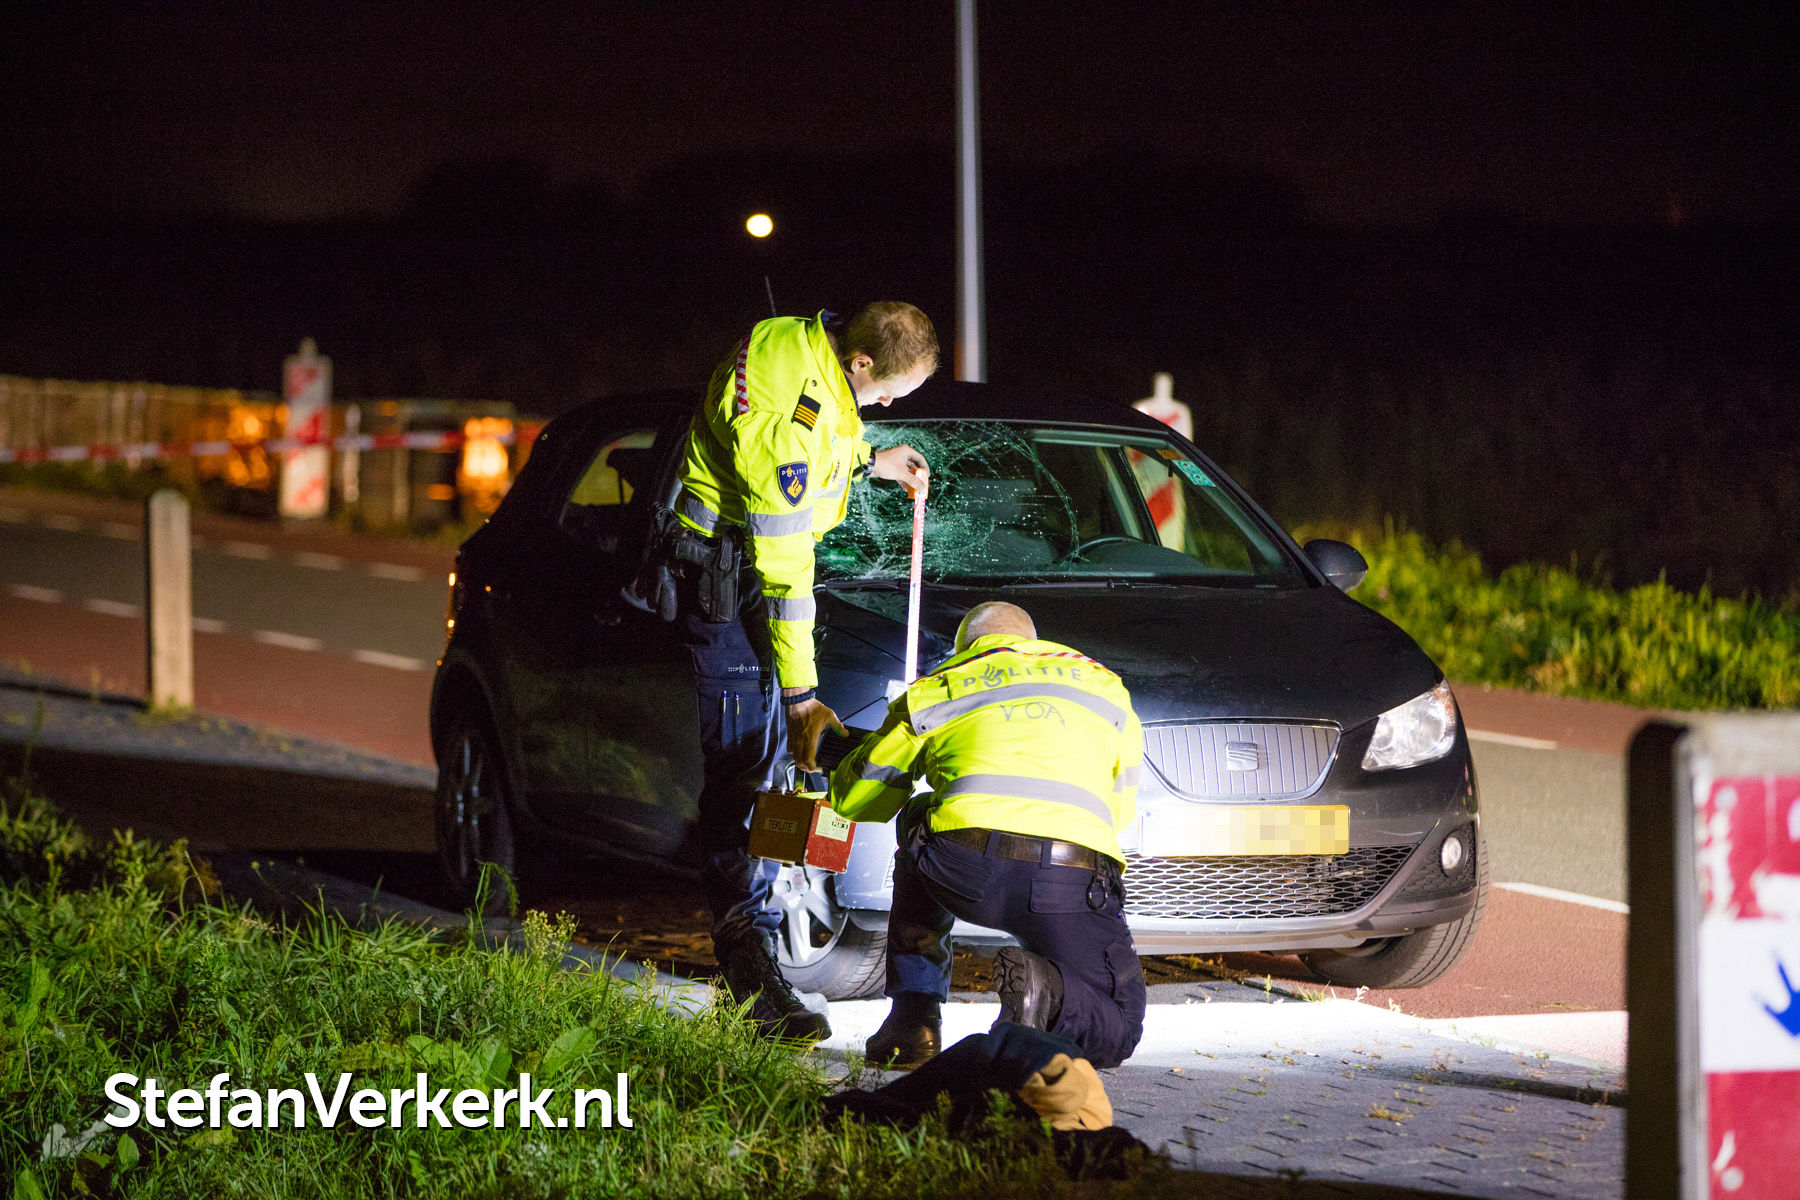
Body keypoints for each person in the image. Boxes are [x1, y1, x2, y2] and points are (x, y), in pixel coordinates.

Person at [669, 302, 935, 1041]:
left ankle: (766, 933)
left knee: (780, 766)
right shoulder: (787, 432)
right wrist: (803, 696)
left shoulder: (804, 343)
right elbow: (786, 570)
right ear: (859, 363)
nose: (885, 406)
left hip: (749, 565)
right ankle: (747, 970)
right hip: (728, 581)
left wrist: (867, 459)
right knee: (743, 767)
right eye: (887, 393)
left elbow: (826, 429)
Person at [829, 601, 1148, 1070]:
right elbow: (1117, 812)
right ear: (1031, 640)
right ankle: (1045, 987)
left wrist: (836, 757)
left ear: (968, 646)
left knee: (920, 818)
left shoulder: (939, 686)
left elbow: (860, 800)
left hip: (963, 871)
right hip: (1067, 883)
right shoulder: (1107, 688)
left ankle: (914, 1020)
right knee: (1119, 1027)